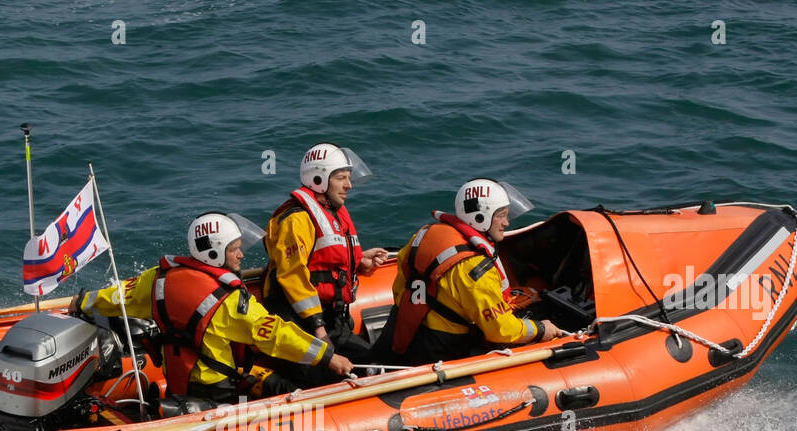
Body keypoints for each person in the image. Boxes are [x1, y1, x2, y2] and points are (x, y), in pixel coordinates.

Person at [75, 212, 353, 405]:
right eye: (235, 249)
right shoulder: (229, 301)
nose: (242, 255)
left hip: (179, 386)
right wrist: (327, 357)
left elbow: (116, 297)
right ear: (214, 252)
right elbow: (275, 335)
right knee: (288, 388)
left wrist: (83, 302)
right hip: (219, 392)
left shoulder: (156, 279)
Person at [374, 178, 564, 365]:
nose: (506, 222)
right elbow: (500, 329)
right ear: (481, 217)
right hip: (438, 350)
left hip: (398, 331)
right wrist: (539, 328)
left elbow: (400, 284)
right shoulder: (476, 268)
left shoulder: (424, 233)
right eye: (501, 215)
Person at [262, 143, 389, 385]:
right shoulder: (297, 219)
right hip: (301, 325)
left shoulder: (330, 210)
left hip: (333, 321)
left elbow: (325, 258)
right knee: (322, 381)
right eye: (341, 178)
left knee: (375, 364)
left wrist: (359, 261)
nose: (348, 185)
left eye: (348, 178)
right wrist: (318, 329)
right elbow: (293, 277)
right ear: (319, 179)